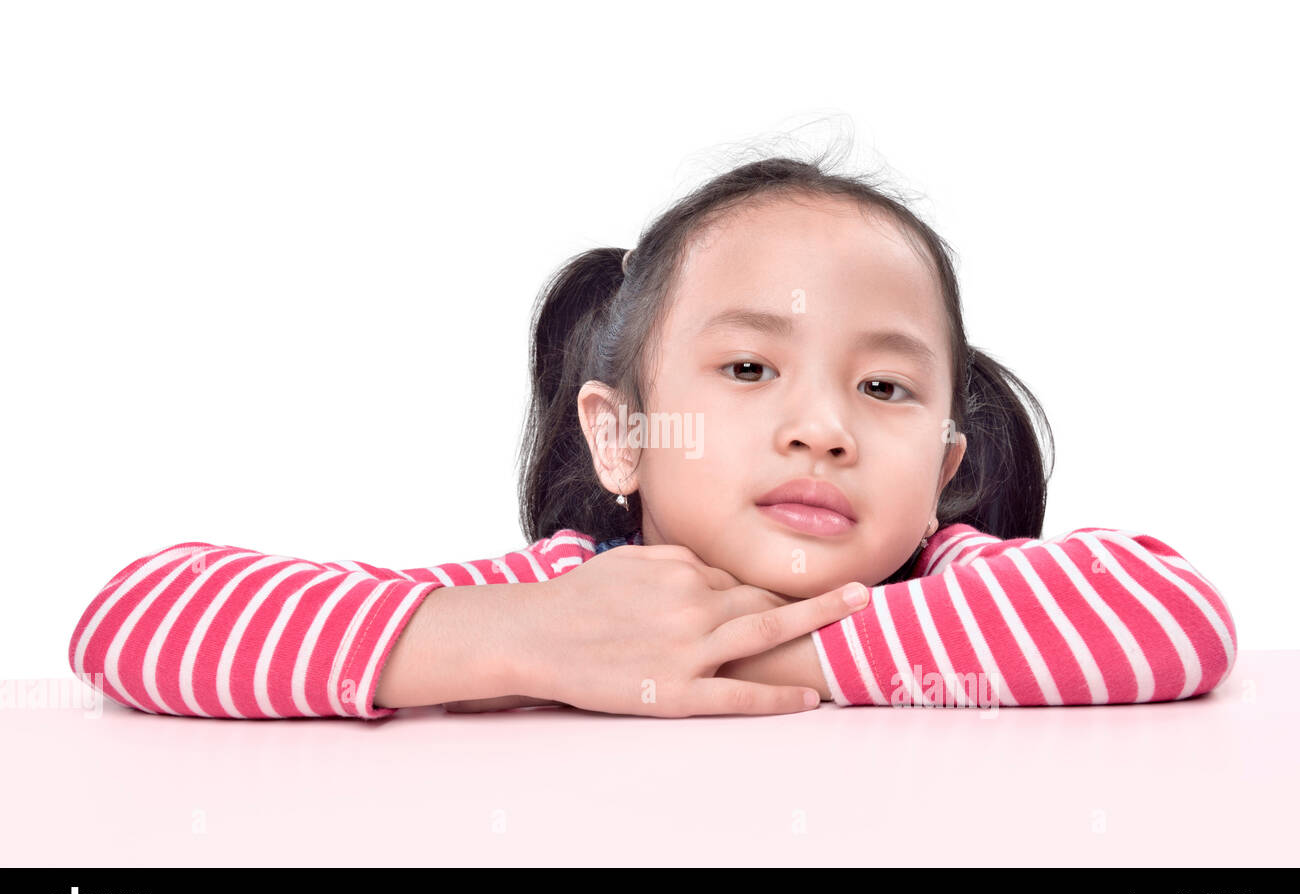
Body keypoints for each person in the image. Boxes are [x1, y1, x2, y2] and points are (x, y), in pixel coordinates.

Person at [66, 153, 1236, 720]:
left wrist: (732, 653)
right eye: (745, 369)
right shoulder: (563, 597)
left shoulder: (968, 588)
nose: (821, 428)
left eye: (883, 389)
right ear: (618, 439)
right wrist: (524, 643)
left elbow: (1176, 616)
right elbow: (137, 614)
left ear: (941, 478)